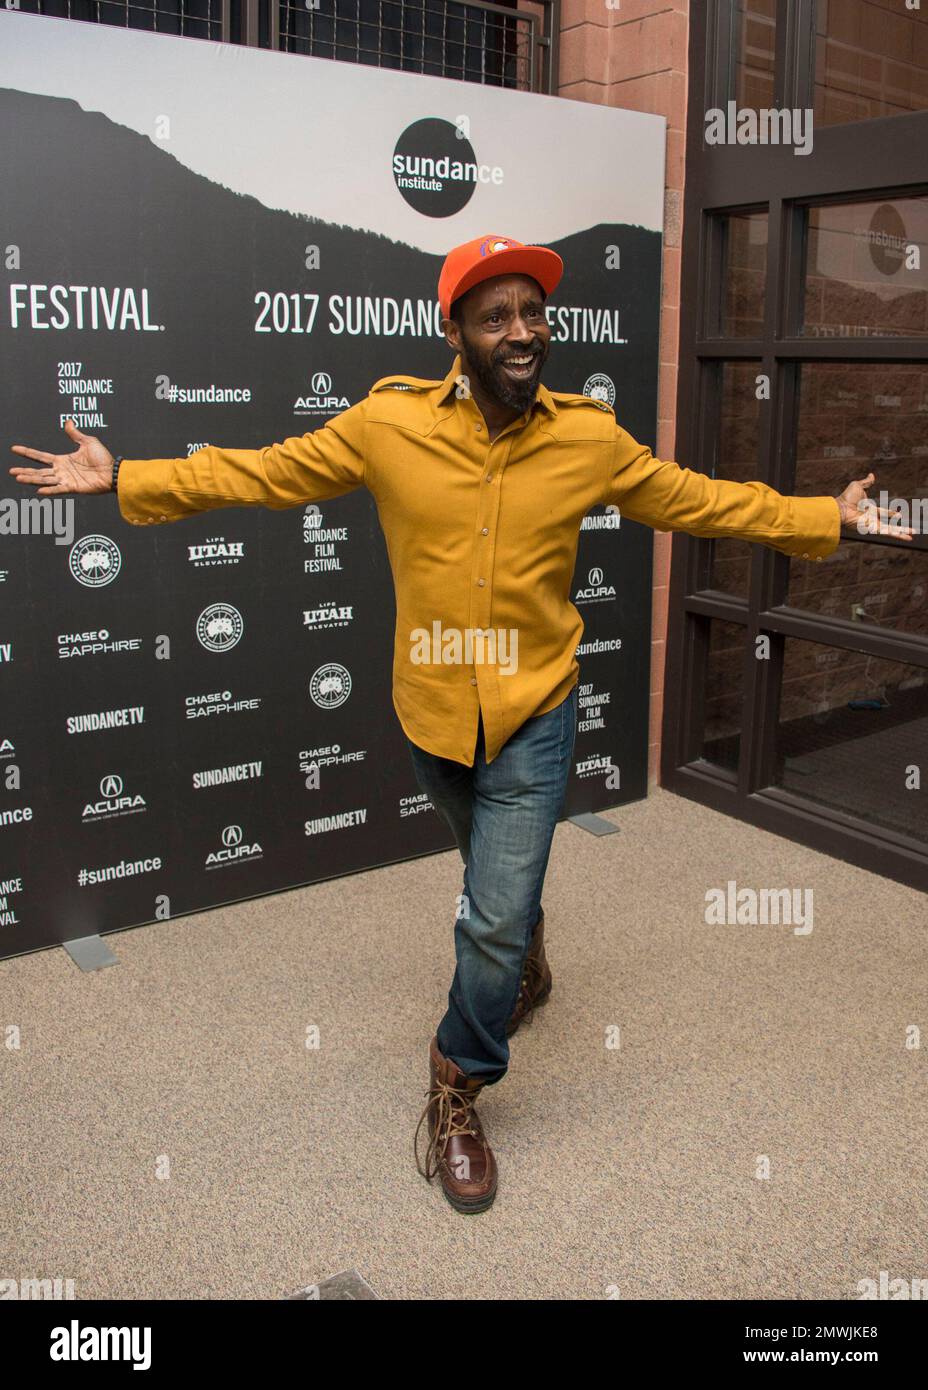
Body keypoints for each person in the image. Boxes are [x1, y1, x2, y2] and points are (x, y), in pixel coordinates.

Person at [9, 233, 914, 1216]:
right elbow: (265, 471)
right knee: (498, 894)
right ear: (456, 331)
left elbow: (694, 499)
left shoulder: (587, 436)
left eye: (533, 311)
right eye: (497, 315)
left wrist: (824, 517)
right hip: (432, 709)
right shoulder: (388, 424)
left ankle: (456, 1081)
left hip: (536, 710)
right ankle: (523, 957)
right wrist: (127, 478)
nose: (521, 331)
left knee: (487, 909)